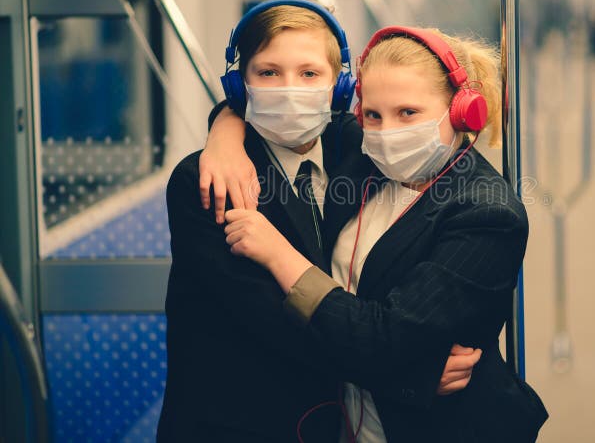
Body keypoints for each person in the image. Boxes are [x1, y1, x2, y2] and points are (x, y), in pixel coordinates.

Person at [158, 0, 480, 442]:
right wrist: (410, 368)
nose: (289, 90)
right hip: (240, 425)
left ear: (341, 87)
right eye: (267, 73)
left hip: (336, 422)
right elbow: (280, 326)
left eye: (309, 73)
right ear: (240, 85)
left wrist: (224, 125)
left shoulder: (357, 145)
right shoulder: (207, 181)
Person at [221, 26, 548, 442]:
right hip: (350, 426)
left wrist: (279, 255)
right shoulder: (365, 159)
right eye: (373, 115)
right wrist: (224, 136)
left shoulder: (487, 213)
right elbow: (278, 109)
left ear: (463, 112)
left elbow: (386, 340)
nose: (388, 132)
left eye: (408, 113)